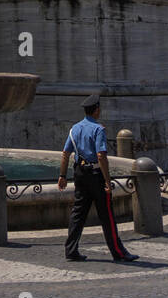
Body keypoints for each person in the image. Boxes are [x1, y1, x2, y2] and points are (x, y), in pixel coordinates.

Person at [58, 93, 137, 263]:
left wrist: (62, 176)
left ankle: (71, 250)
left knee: (78, 214)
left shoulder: (75, 129)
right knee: (107, 215)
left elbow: (65, 153)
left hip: (79, 172)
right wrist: (108, 180)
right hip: (95, 174)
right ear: (96, 110)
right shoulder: (98, 129)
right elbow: (101, 155)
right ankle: (118, 252)